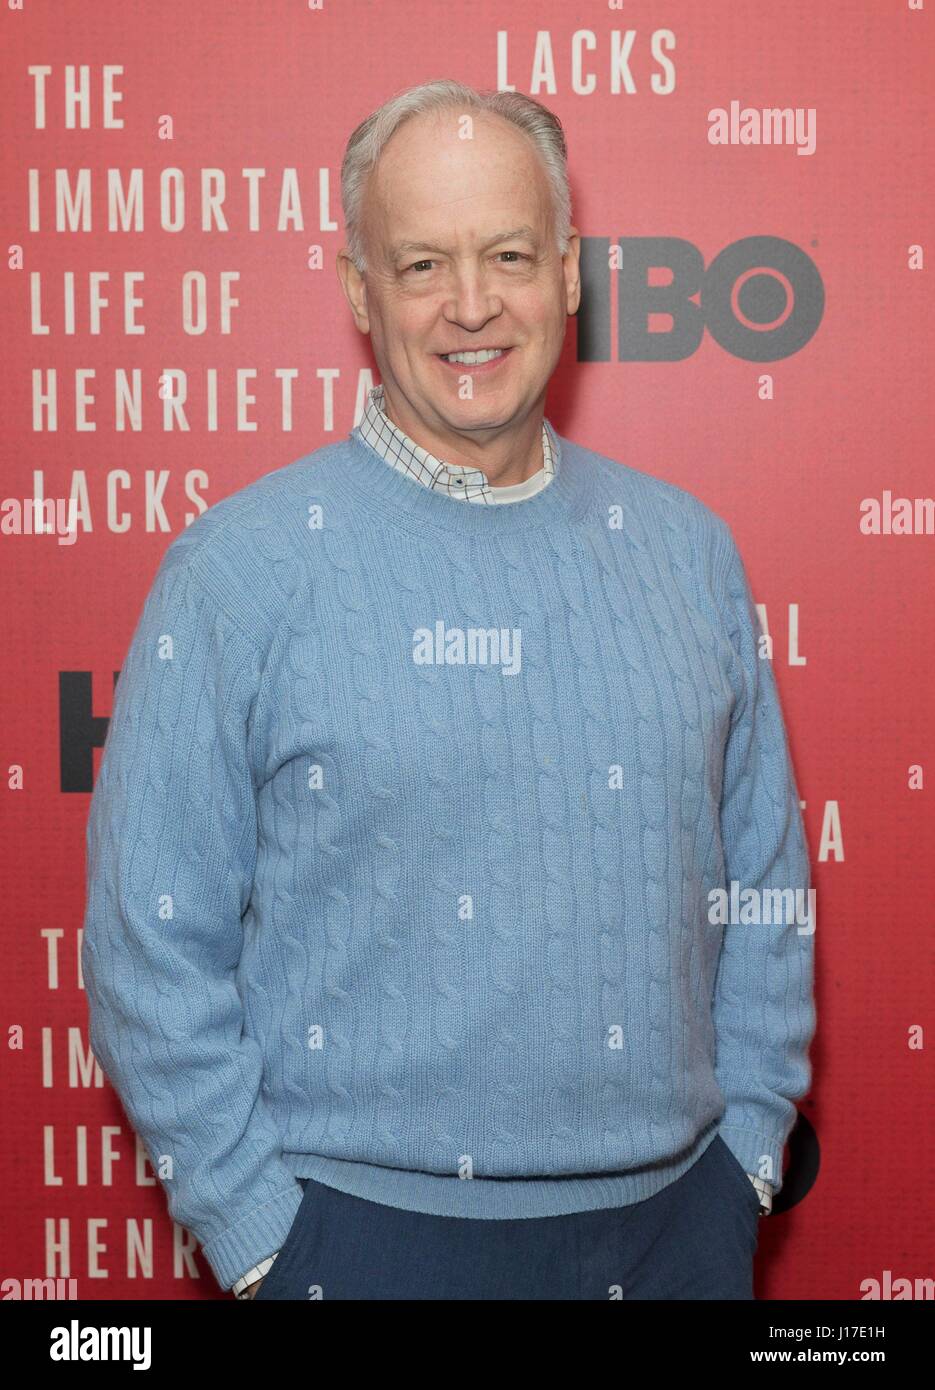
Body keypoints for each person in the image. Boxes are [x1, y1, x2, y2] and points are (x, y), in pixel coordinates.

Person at [81, 78, 815, 1301]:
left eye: (508, 255)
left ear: (570, 272)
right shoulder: (240, 572)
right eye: (421, 263)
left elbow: (766, 887)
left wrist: (743, 1155)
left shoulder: (687, 550)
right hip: (361, 1245)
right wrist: (266, 1235)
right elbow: (148, 947)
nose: (470, 306)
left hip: (675, 1236)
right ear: (358, 289)